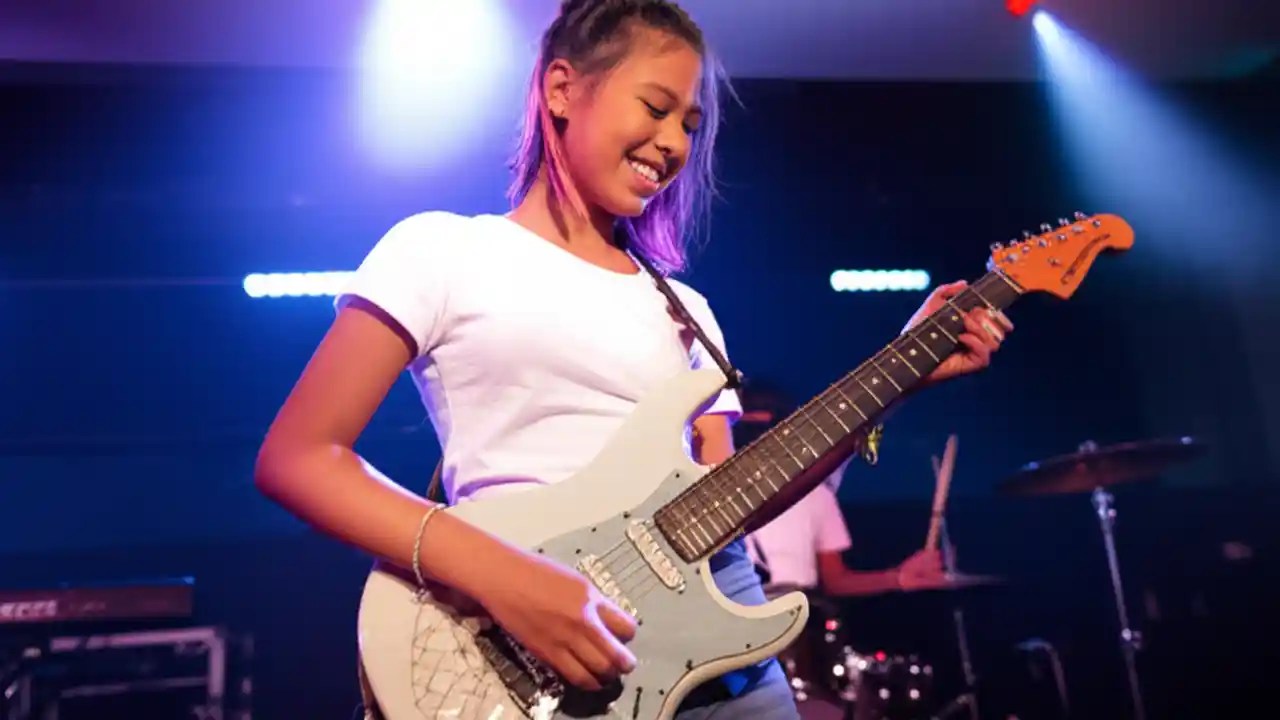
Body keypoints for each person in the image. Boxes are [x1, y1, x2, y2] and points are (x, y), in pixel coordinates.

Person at [253, 1, 1014, 718]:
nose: (675, 142)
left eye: (690, 123)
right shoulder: (443, 251)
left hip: (724, 663)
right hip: (533, 651)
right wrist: (503, 575)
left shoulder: (688, 312)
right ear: (562, 89)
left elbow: (729, 500)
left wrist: (898, 374)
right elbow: (298, 458)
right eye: (655, 108)